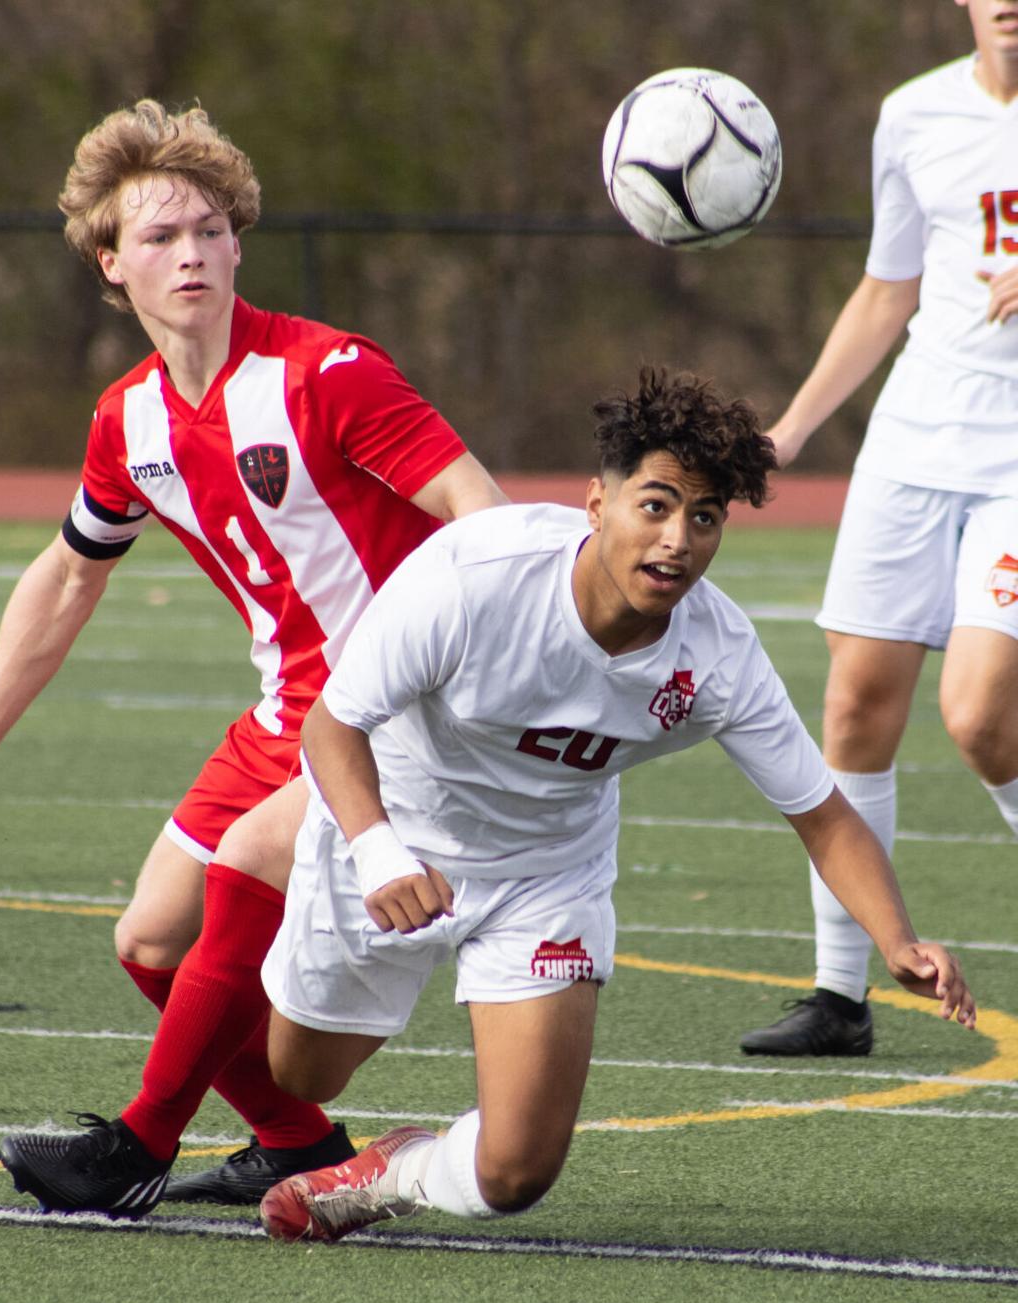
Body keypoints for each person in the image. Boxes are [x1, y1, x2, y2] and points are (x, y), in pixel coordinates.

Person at [0, 99, 506, 1206]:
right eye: (160, 237)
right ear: (109, 264)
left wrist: (472, 677)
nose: (191, 253)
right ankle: (306, 1149)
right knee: (152, 943)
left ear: (237, 244)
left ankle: (136, 1149)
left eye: (210, 229)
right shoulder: (127, 421)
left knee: (240, 870)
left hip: (397, 712)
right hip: (286, 713)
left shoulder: (328, 373)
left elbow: (480, 516)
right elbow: (72, 570)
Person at [244, 367, 975, 1243]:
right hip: (395, 840)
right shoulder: (477, 575)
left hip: (547, 873)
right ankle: (269, 870)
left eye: (704, 518)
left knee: (515, 1171)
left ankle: (397, 1169)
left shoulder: (717, 655)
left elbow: (823, 815)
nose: (677, 540)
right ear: (598, 502)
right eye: (656, 505)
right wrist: (376, 851)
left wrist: (898, 939)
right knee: (302, 1073)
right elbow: (332, 728)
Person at [739, 0, 1018, 1057]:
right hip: (912, 442)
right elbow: (887, 287)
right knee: (854, 706)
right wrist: (793, 429)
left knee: (983, 716)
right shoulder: (912, 115)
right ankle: (840, 998)